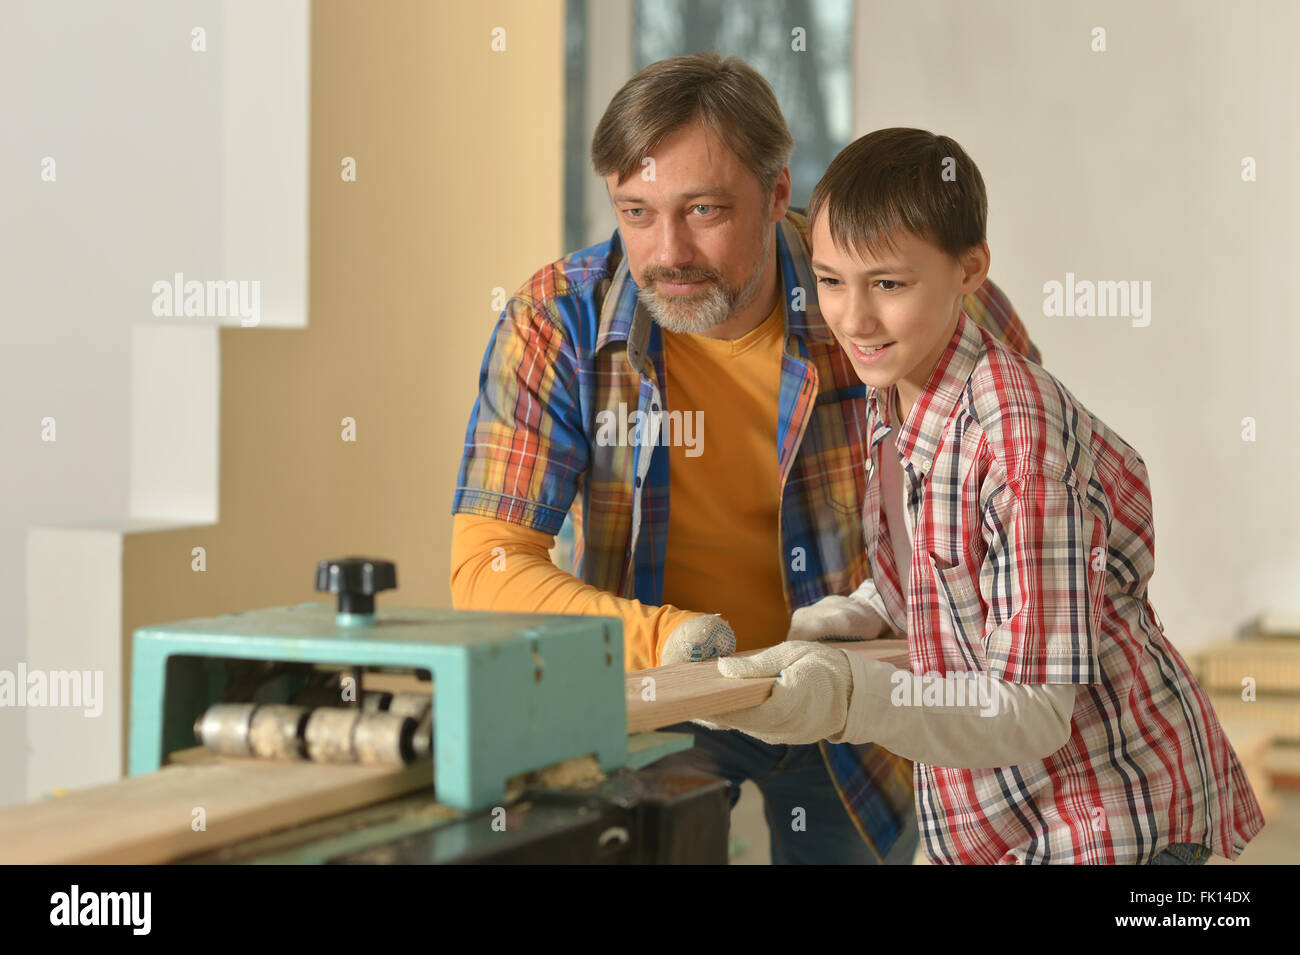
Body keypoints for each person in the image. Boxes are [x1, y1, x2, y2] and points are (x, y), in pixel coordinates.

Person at [450, 55, 1039, 864]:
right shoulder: (557, 321)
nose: (668, 252)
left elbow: (1030, 505)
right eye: (637, 211)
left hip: (860, 700)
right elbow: (485, 566)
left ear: (775, 194)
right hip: (664, 696)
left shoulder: (895, 292)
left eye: (704, 209)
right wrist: (675, 641)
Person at [701, 127, 1265, 865]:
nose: (853, 319)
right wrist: (862, 614)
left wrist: (852, 699)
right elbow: (949, 576)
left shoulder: (1017, 435)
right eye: (832, 280)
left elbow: (1033, 709)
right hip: (997, 819)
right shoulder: (896, 393)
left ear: (971, 270)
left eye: (889, 284)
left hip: (1111, 822)